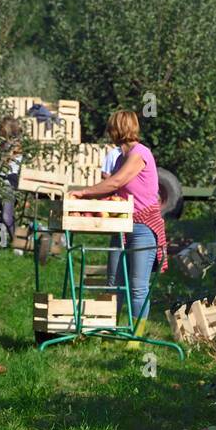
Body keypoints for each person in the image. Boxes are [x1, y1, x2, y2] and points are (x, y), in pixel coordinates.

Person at [67, 110, 167, 338]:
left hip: (143, 227)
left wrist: (83, 193)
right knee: (112, 282)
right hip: (121, 226)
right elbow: (115, 193)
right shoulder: (121, 158)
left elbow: (116, 182)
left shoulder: (140, 154)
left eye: (110, 128)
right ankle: (108, 329)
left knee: (137, 286)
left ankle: (136, 337)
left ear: (117, 129)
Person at [0, 116, 22, 239]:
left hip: (9, 181)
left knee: (7, 215)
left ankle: (16, 241)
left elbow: (7, 161)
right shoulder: (1, 144)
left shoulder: (16, 146)